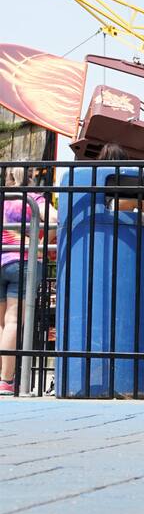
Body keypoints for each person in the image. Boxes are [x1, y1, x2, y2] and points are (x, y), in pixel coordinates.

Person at [1, 163, 55, 397]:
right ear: (31, 176)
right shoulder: (32, 198)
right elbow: (54, 218)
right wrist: (41, 245)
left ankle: (2, 376)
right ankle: (6, 381)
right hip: (22, 262)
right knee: (13, 321)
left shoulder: (3, 197)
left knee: (1, 323)